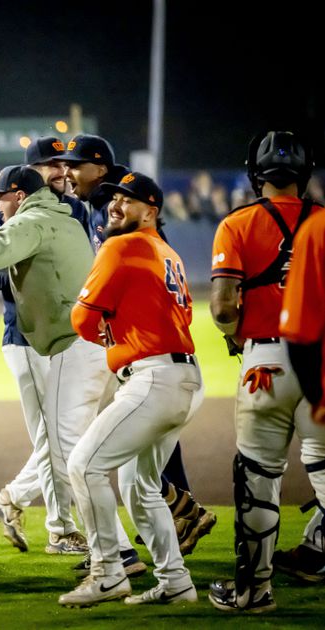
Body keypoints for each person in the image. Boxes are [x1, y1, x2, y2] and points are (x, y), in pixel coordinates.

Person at [0, 167, 144, 572]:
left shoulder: (32, 220)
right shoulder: (62, 218)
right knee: (74, 451)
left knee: (70, 453)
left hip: (76, 347)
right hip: (91, 345)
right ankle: (113, 547)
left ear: (16, 195)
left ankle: (115, 550)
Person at [58, 134, 214, 558]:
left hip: (147, 361)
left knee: (85, 456)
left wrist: (102, 324)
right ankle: (170, 559)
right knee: (136, 468)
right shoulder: (153, 242)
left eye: (76, 165)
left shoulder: (123, 238)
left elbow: (83, 317)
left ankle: (114, 561)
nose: (68, 173)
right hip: (173, 364)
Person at [209, 131, 325, 613]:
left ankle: (254, 591)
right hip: (321, 360)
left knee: (258, 478)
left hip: (266, 362)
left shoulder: (236, 224)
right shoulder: (322, 223)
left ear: (256, 175)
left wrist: (233, 334)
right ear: (305, 175)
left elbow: (221, 306)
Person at [0, 139, 88, 552]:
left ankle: (9, 499)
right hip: (26, 338)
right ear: (32, 174)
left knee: (64, 436)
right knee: (55, 438)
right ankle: (60, 529)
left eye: (65, 163)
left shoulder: (73, 209)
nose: (62, 170)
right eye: (51, 165)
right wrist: (39, 270)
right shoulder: (12, 209)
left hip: (71, 336)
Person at [277, 199, 325, 583]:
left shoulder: (317, 228)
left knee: (258, 471)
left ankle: (254, 587)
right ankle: (315, 550)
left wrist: (317, 397)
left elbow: (299, 334)